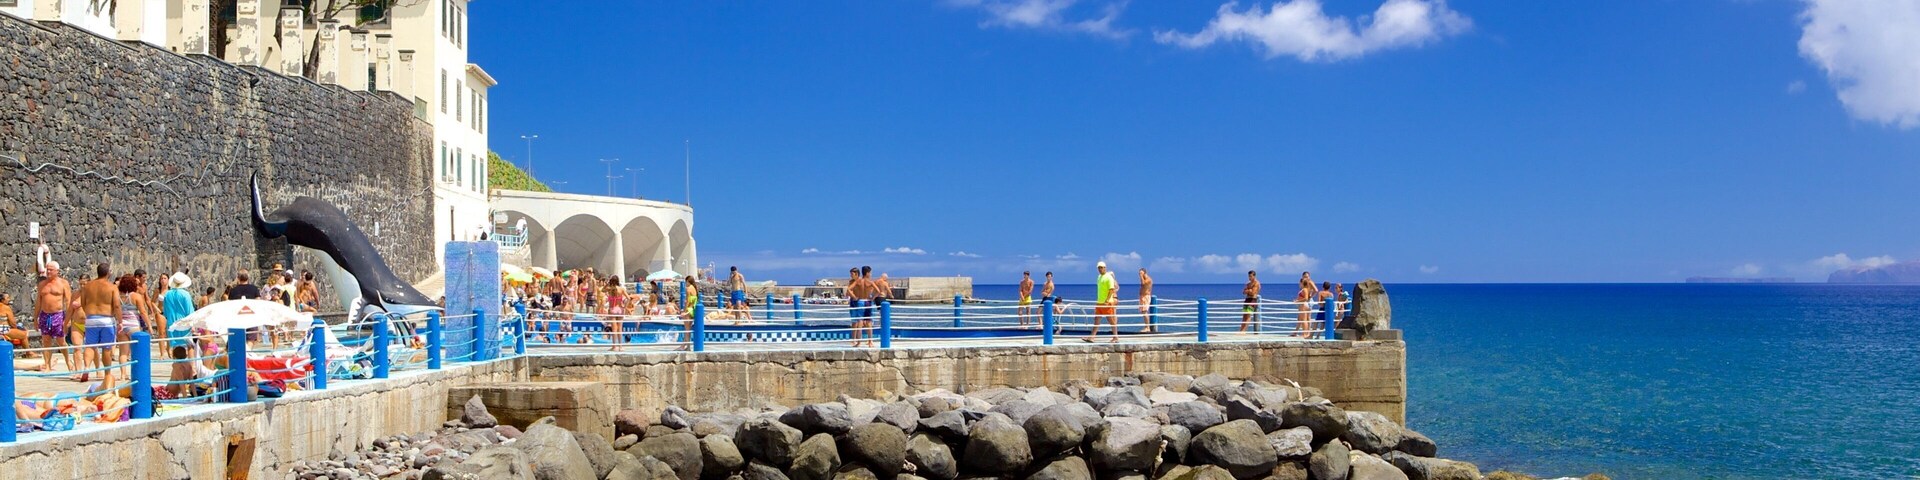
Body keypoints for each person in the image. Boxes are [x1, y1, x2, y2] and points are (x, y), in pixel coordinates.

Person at [78, 263, 120, 381]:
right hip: (106, 319)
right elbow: (116, 305)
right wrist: (120, 320)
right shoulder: (112, 287)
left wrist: (88, 313)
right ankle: (107, 374)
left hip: (91, 319)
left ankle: (86, 368)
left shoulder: (88, 286)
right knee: (106, 348)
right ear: (108, 273)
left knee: (90, 346)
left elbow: (82, 302)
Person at [35, 257, 74, 372]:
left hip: (58, 315)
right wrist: (35, 317)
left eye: (51, 270)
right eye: (47, 269)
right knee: (46, 340)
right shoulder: (42, 284)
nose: (49, 272)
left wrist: (68, 318)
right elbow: (38, 302)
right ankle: (47, 365)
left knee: (61, 341)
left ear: (57, 271)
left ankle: (68, 361)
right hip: (45, 315)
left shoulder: (63, 283)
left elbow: (68, 301)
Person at [116, 275, 154, 377]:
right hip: (133, 325)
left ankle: (123, 374)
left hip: (121, 326)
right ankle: (137, 374)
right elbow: (143, 312)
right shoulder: (136, 296)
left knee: (123, 352)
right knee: (137, 352)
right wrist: (149, 325)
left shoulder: (117, 296)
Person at [1086, 261, 1120, 343]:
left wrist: (1107, 300)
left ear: (1105, 268)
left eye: (1101, 267)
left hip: (1107, 303)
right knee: (1096, 319)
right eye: (1099, 268)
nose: (1100, 269)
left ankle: (1115, 337)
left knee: (1111, 320)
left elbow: (1111, 289)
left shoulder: (1109, 277)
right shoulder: (1099, 277)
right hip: (1099, 302)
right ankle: (1092, 337)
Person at [161, 273, 196, 350]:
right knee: (189, 345)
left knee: (175, 347)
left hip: (172, 323)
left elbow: (166, 312)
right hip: (184, 323)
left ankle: (177, 361)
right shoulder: (185, 294)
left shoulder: (167, 294)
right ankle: (190, 362)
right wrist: (193, 325)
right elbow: (190, 311)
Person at [1138, 268, 1155, 333]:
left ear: (1145, 273)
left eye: (1141, 273)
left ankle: (1147, 327)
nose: (1140, 275)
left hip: (1146, 297)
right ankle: (1146, 326)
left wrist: (1141, 276)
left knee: (1145, 311)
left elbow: (1143, 284)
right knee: (1143, 312)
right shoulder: (1144, 279)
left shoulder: (1148, 279)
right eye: (1139, 273)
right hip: (1142, 296)